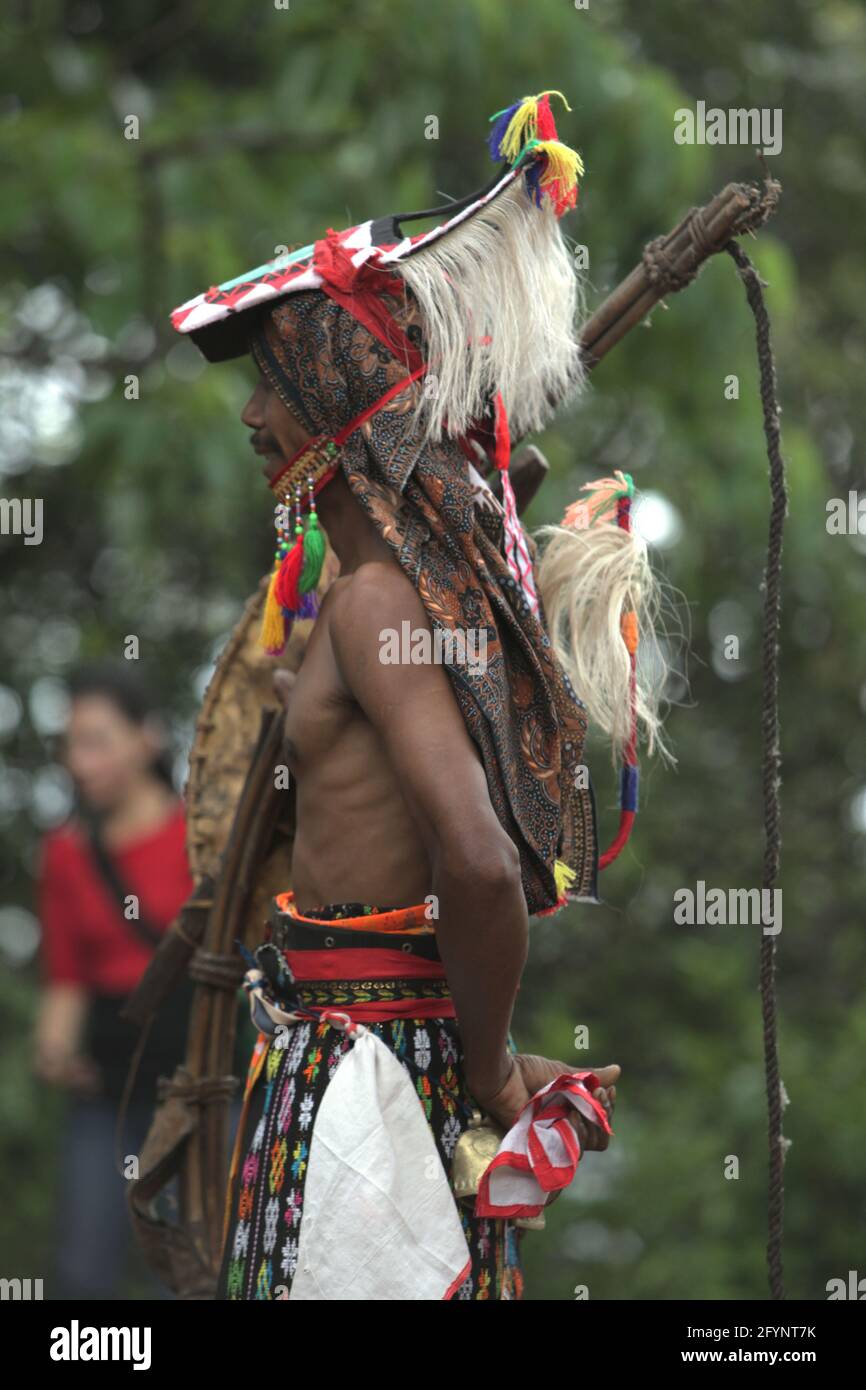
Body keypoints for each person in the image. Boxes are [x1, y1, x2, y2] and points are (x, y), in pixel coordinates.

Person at [170, 92, 640, 1300]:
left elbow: (478, 867)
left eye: (273, 386)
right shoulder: (370, 602)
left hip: (367, 1067)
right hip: (358, 1053)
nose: (250, 414)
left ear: (330, 402)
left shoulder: (381, 607)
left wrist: (485, 1072)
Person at [34, 662, 193, 1299]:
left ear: (146, 739)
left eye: (97, 740)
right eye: (73, 743)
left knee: (190, 1268)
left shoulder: (200, 838)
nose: (80, 761)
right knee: (81, 1273)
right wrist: (52, 1052)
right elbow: (66, 979)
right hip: (106, 1094)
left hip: (197, 1091)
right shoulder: (67, 854)